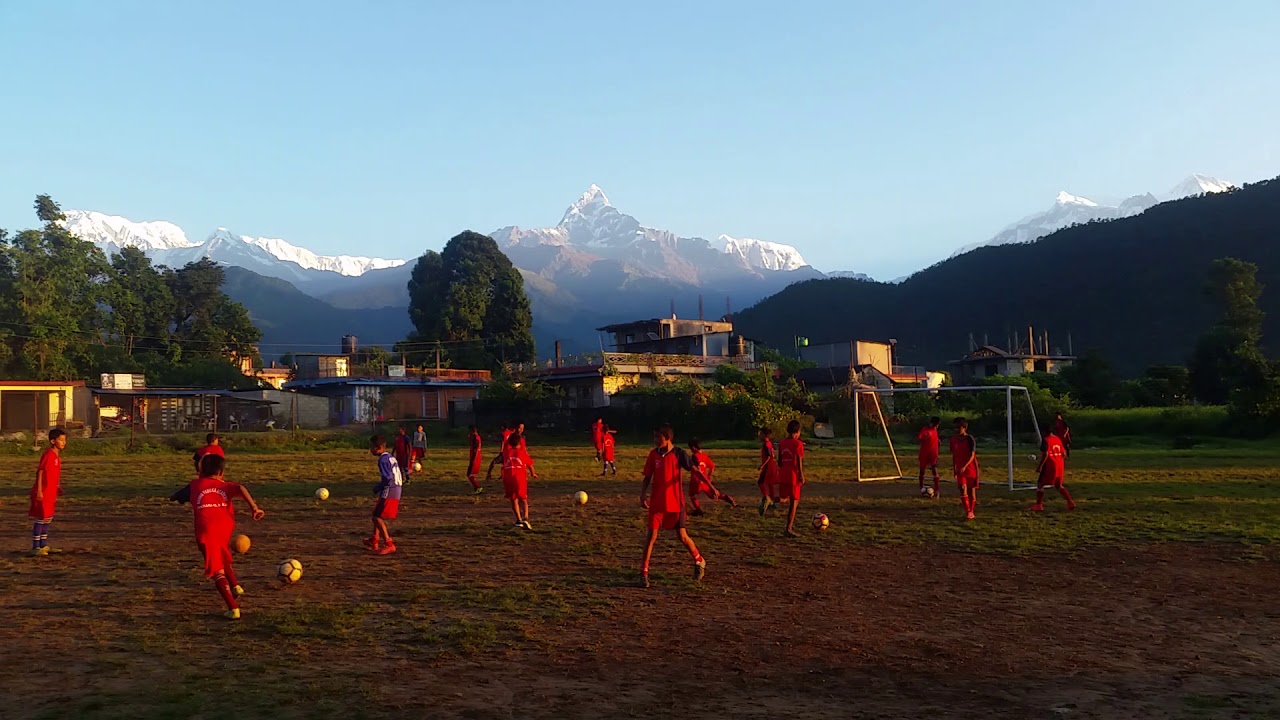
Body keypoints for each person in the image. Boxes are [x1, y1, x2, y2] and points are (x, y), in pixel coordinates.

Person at [188, 454, 265, 620]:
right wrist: (254, 508)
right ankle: (235, 586)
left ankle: (233, 608)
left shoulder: (194, 485)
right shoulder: (225, 486)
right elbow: (241, 488)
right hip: (225, 526)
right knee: (221, 555)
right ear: (222, 472)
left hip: (206, 530)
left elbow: (181, 494)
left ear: (200, 471)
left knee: (217, 569)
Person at [639, 424, 706, 588]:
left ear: (668, 438)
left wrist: (711, 487)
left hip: (675, 503)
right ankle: (643, 573)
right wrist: (642, 495)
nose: (655, 440)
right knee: (651, 537)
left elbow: (695, 470)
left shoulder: (679, 454)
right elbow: (647, 476)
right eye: (654, 437)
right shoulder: (653, 454)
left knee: (682, 536)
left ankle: (699, 560)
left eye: (658, 437)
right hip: (656, 503)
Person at [29, 428, 67, 557]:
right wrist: (39, 490)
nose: (63, 442)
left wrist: (57, 486)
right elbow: (40, 472)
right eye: (61, 440)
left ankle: (43, 545)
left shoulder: (56, 456)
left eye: (64, 440)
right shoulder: (48, 454)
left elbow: (52, 474)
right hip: (43, 492)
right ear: (52, 441)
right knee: (41, 517)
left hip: (51, 492)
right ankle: (35, 547)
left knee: (48, 518)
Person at [367, 435, 404, 555]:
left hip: (390, 490)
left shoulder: (382, 460)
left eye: (371, 447)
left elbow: (387, 478)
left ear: (378, 447)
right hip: (395, 488)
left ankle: (389, 544)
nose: (370, 450)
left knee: (376, 518)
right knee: (377, 515)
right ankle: (374, 540)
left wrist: (377, 488)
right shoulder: (390, 457)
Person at [1032, 425, 1076, 512]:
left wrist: (1040, 466)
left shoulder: (1046, 440)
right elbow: (1063, 453)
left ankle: (1039, 505)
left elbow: (1046, 454)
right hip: (1059, 465)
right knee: (1058, 485)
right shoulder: (1057, 439)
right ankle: (1070, 502)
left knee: (1040, 484)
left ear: (1044, 432)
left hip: (1049, 465)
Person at [500, 433, 538, 529]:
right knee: (523, 499)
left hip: (508, 478)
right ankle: (526, 518)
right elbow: (530, 465)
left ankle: (518, 519)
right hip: (519, 478)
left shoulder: (506, 453)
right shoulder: (521, 453)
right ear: (520, 443)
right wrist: (533, 474)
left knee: (513, 499)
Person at [687, 438, 734, 516]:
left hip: (696, 479)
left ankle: (698, 510)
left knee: (692, 495)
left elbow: (697, 469)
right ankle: (725, 497)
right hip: (705, 480)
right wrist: (709, 476)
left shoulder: (694, 456)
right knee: (712, 495)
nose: (691, 449)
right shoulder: (705, 456)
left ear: (694, 447)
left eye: (691, 447)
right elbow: (712, 466)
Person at [777, 419, 807, 537]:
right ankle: (788, 528)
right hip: (793, 475)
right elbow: (799, 460)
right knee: (794, 502)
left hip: (783, 473)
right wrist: (801, 475)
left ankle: (770, 500)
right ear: (797, 431)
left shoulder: (782, 443)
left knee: (784, 497)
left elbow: (779, 461)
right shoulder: (798, 444)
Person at [949, 417, 980, 520]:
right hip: (960, 468)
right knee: (962, 488)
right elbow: (954, 455)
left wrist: (965, 466)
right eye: (954, 427)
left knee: (971, 491)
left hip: (971, 468)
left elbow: (972, 455)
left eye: (958, 427)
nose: (956, 430)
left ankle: (972, 510)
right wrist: (955, 468)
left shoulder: (969, 439)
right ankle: (968, 511)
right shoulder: (953, 440)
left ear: (964, 428)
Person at [756, 427, 780, 516]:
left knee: (761, 482)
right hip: (771, 466)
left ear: (765, 435)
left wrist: (762, 465)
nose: (759, 435)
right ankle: (772, 502)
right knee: (770, 484)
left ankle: (767, 498)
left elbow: (769, 457)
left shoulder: (766, 444)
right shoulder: (769, 444)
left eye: (761, 434)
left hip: (768, 466)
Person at [917, 416, 941, 497]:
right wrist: (924, 438)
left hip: (933, 453)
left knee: (934, 469)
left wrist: (938, 440)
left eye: (937, 425)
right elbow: (919, 438)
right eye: (935, 425)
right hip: (924, 453)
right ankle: (921, 487)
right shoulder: (925, 429)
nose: (936, 427)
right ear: (932, 423)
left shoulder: (935, 430)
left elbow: (935, 437)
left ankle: (937, 490)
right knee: (922, 470)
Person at [466, 425, 484, 494]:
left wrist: (474, 459)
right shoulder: (477, 437)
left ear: (472, 431)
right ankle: (476, 487)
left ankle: (478, 487)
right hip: (476, 458)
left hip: (475, 458)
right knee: (470, 474)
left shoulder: (475, 438)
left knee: (470, 474)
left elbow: (476, 449)